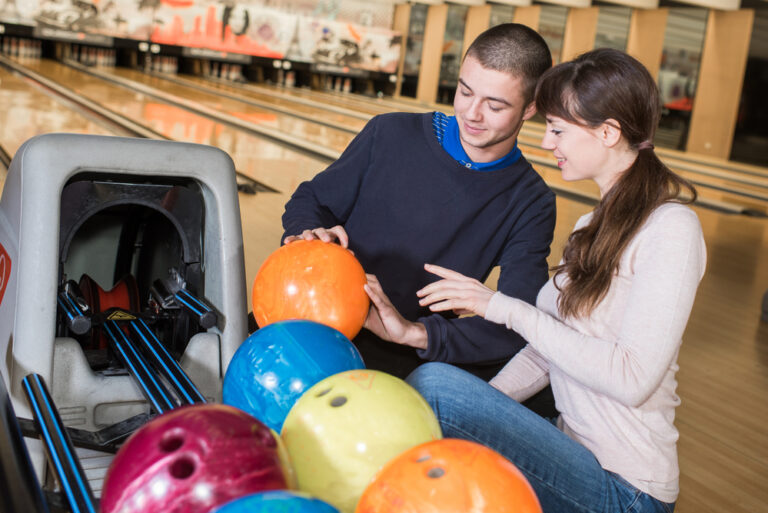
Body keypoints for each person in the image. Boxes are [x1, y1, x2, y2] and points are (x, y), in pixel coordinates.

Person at [408, 48, 706, 512]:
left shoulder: (670, 229)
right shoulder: (593, 223)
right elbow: (545, 354)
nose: (547, 143)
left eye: (558, 129)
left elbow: (632, 379)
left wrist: (503, 308)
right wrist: (482, 412)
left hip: (627, 488)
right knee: (442, 398)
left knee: (436, 387)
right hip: (573, 456)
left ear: (608, 133)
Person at [281, 24, 556, 390]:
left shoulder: (531, 201)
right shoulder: (389, 133)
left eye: (495, 105)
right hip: (316, 317)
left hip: (405, 353)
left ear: (530, 108)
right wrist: (307, 231)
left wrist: (414, 334)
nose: (471, 114)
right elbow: (311, 199)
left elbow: (517, 323)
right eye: (464, 91)